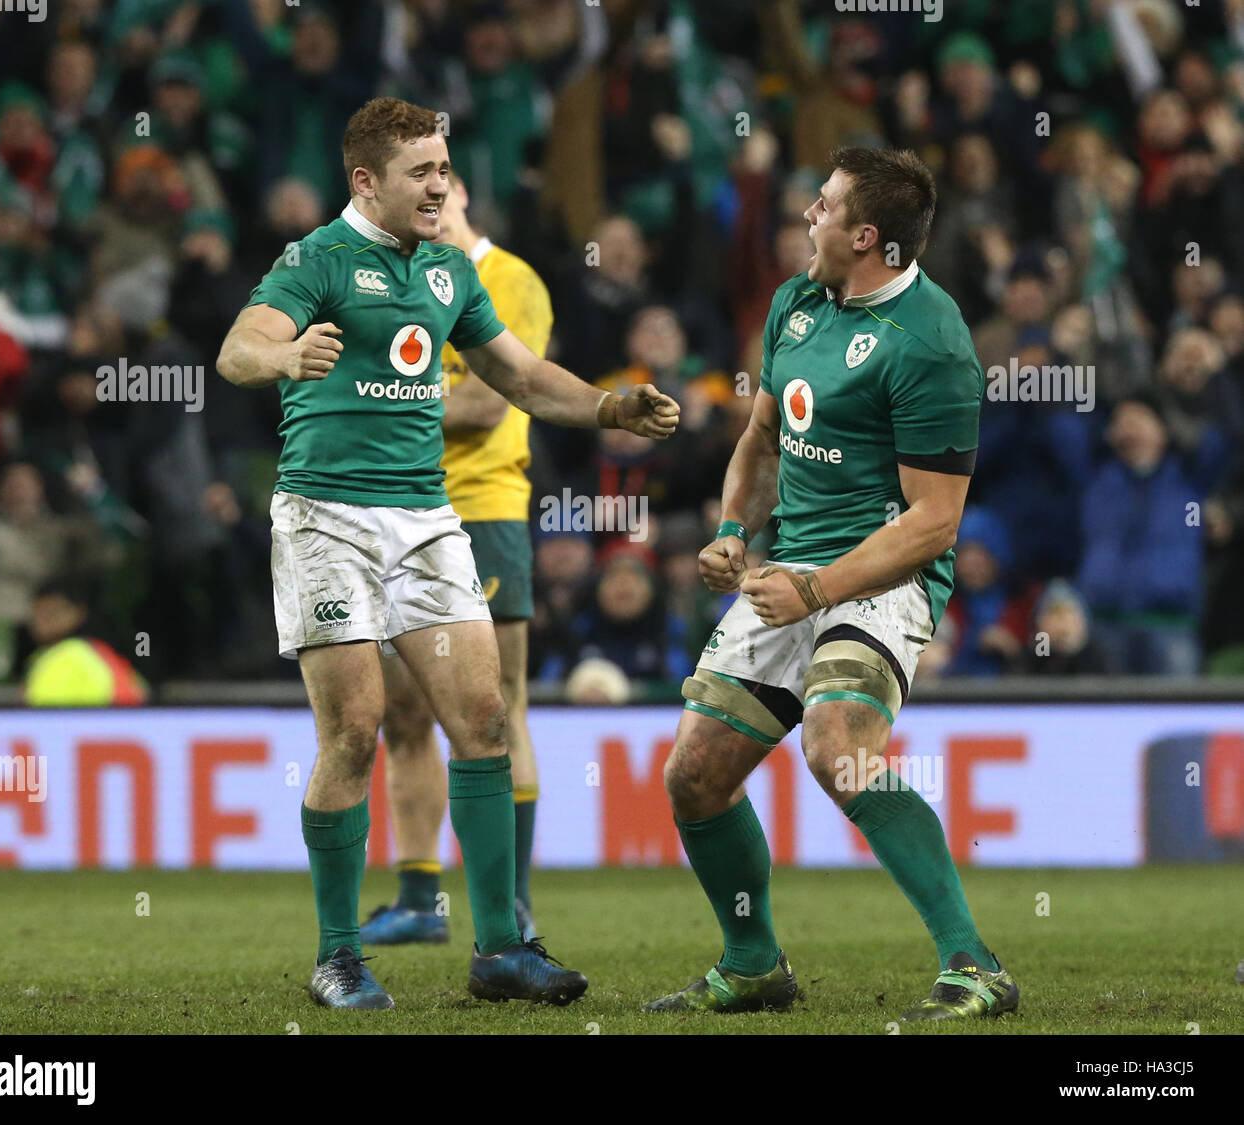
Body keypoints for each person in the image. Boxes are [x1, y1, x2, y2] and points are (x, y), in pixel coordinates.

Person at [216, 97, 679, 1011]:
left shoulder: (446, 272)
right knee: (354, 730)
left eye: (444, 168)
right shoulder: (317, 259)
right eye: (422, 172)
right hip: (329, 520)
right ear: (366, 181)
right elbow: (237, 347)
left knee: (486, 721)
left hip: (427, 519)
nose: (441, 187)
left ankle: (502, 948)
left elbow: (518, 375)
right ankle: (339, 956)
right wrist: (285, 358)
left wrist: (609, 406)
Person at [647, 146, 1017, 1021]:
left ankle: (974, 964)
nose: (804, 217)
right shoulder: (796, 302)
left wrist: (816, 592)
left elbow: (934, 522)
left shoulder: (933, 343)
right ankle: (752, 965)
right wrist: (734, 534)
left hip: (883, 577)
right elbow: (760, 440)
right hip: (787, 575)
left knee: (838, 745)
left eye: (821, 206)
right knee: (693, 775)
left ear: (865, 236)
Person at [358, 169, 551, 947]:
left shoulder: (512, 281)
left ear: (463, 190)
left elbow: (486, 403)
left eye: (440, 187)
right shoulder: (394, 281)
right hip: (395, 510)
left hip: (484, 509)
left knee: (497, 704)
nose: (430, 204)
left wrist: (379, 398)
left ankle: (514, 901)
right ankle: (417, 898)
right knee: (401, 711)